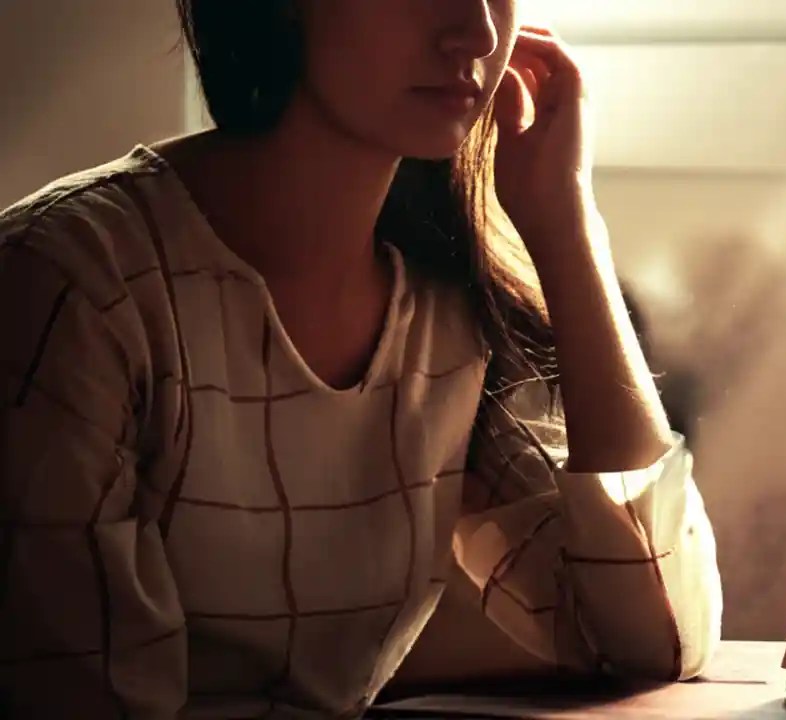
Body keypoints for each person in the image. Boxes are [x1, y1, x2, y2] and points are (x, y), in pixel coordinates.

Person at [0, 1, 722, 716]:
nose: (475, 30)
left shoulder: (443, 301)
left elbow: (653, 638)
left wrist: (567, 223)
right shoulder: (75, 285)